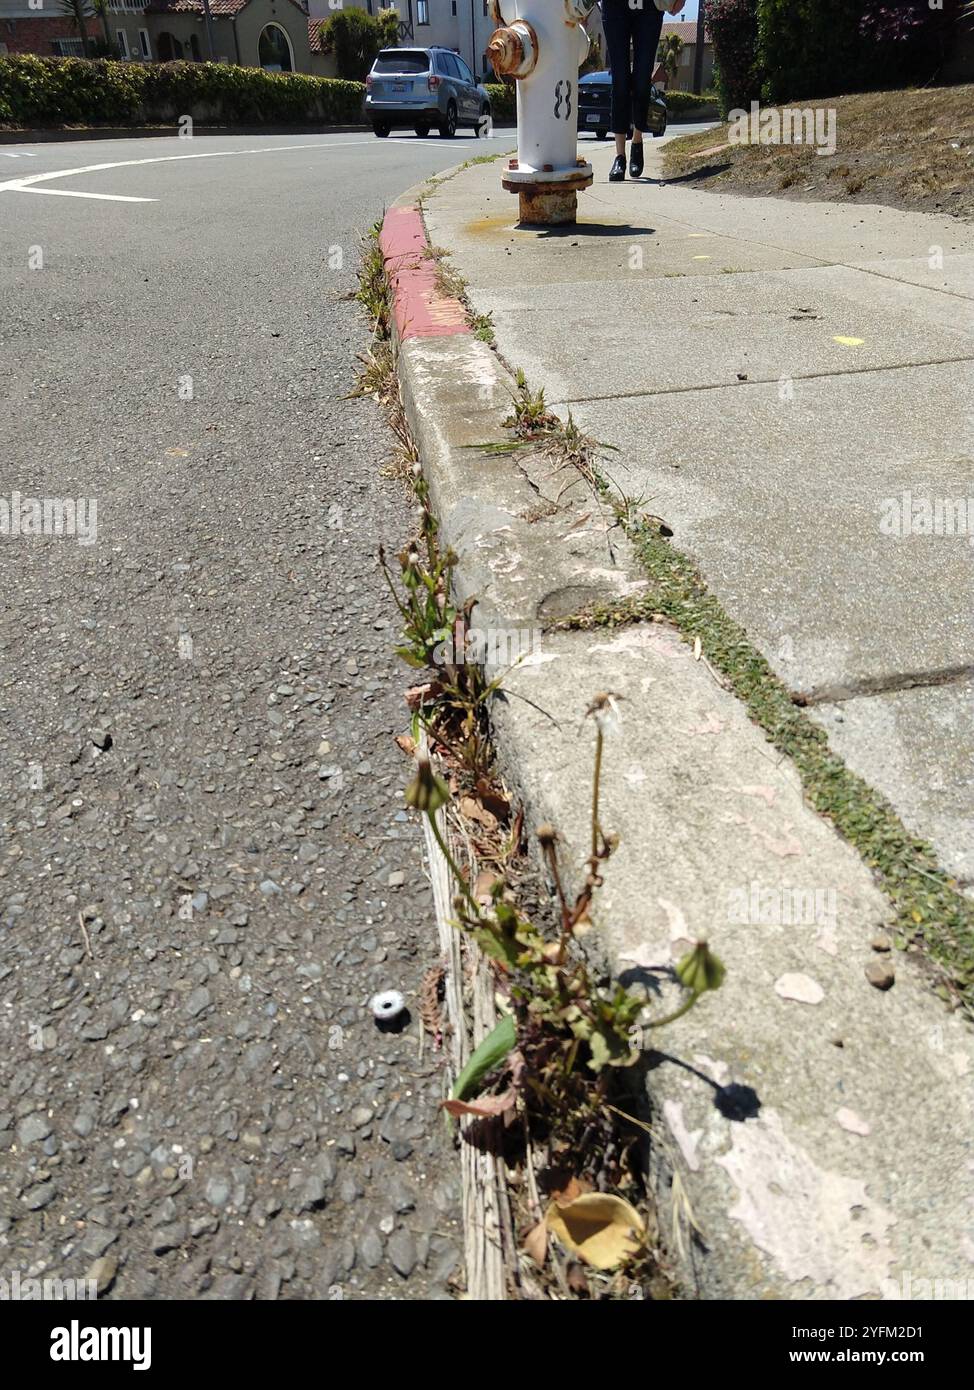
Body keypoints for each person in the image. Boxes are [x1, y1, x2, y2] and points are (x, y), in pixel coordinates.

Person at [599, 0, 685, 181]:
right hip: (615, 7)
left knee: (642, 77)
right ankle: (619, 156)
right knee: (620, 79)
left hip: (649, 8)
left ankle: (637, 141)